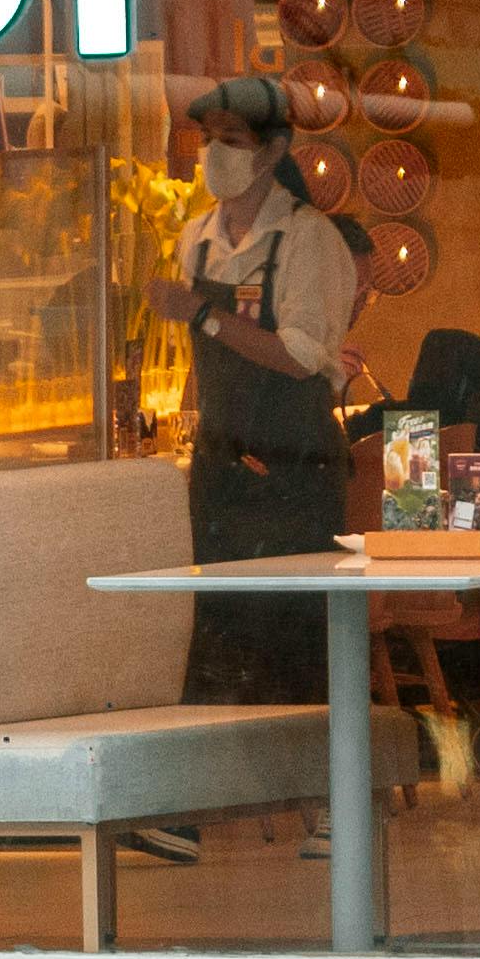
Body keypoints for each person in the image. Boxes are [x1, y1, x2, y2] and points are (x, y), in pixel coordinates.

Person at [170, 76, 366, 698]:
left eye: (230, 138)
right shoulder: (195, 241)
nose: (213, 152)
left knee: (289, 652)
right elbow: (205, 369)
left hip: (292, 473)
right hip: (220, 472)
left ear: (274, 150)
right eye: (207, 138)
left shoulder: (309, 240)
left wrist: (203, 314)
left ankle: (313, 791)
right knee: (219, 642)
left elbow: (302, 358)